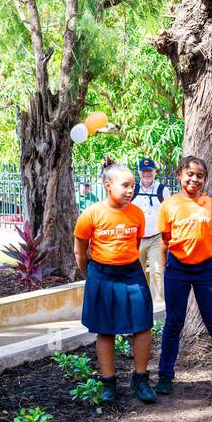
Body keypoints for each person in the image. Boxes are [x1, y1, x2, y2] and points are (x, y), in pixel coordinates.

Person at [155, 155, 212, 397]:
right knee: (174, 323)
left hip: (205, 270)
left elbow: (208, 233)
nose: (194, 179)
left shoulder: (209, 204)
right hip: (177, 269)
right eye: (190, 174)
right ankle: (165, 376)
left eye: (200, 176)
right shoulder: (169, 204)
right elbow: (164, 243)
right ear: (179, 175)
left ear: (205, 179)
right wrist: (166, 272)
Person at [74, 163, 156, 404]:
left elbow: (136, 244)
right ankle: (108, 382)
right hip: (101, 274)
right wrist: (91, 276)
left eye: (133, 185)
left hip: (131, 273)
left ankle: (140, 379)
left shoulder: (137, 213)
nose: (131, 189)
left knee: (142, 325)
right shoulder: (91, 214)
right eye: (125, 185)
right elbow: (80, 252)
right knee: (105, 329)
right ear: (107, 186)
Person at [131, 157, 167, 302]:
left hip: (156, 237)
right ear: (139, 172)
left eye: (149, 171)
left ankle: (158, 304)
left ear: (154, 172)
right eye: (144, 171)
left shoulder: (162, 190)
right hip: (137, 238)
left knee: (157, 271)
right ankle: (139, 302)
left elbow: (168, 211)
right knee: (137, 271)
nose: (147, 174)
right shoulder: (134, 189)